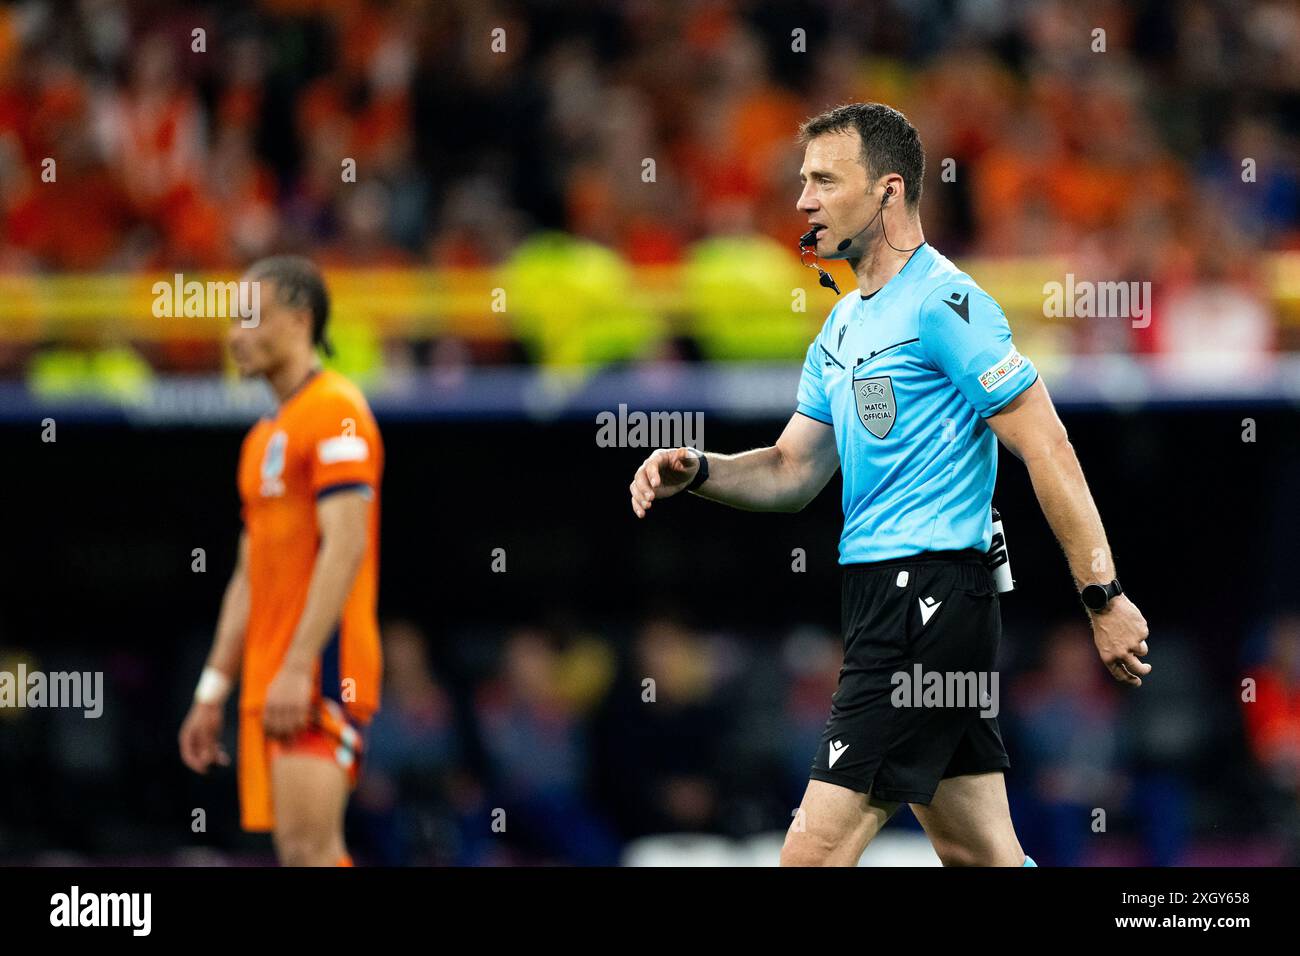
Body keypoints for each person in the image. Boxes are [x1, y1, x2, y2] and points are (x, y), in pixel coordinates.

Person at [627, 103, 1150, 867]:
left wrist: (1102, 596)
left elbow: (1050, 445)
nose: (803, 199)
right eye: (803, 181)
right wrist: (700, 470)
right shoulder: (841, 326)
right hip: (882, 600)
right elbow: (791, 470)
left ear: (887, 191)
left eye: (825, 180)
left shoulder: (947, 304)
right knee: (982, 855)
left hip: (929, 601)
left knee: (811, 853)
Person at [179, 255, 383, 866]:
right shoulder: (262, 439)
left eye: (248, 318)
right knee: (299, 854)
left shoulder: (337, 410)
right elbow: (247, 574)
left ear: (299, 320)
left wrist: (299, 666)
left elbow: (346, 544)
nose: (234, 336)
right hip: (271, 673)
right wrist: (213, 688)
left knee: (310, 849)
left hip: (319, 664)